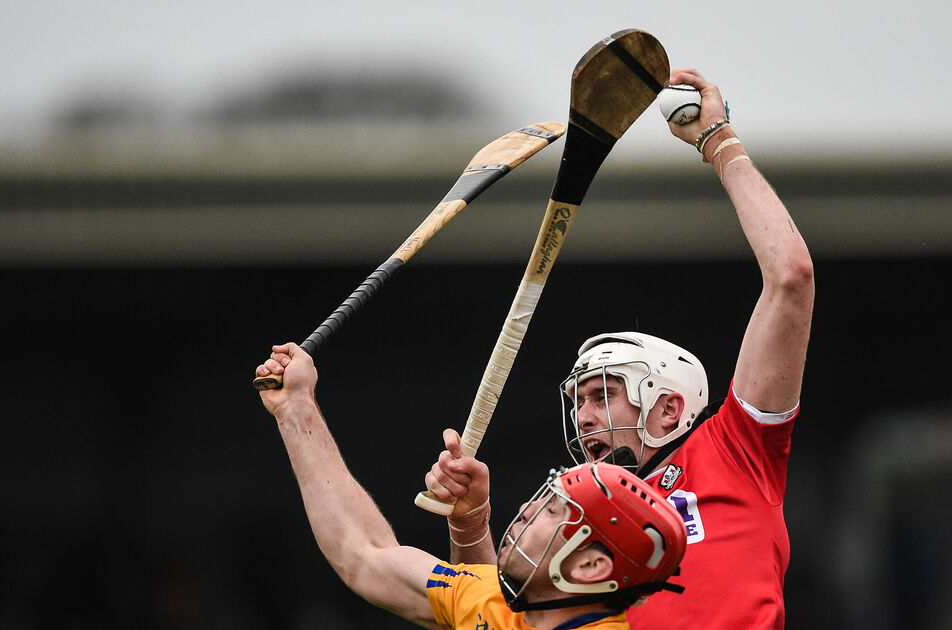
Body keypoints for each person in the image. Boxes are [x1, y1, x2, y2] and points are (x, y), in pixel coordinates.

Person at [424, 67, 814, 629]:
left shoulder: (737, 451)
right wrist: (470, 524)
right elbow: (503, 623)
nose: (584, 417)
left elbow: (791, 277)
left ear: (670, 407)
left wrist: (718, 142)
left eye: (604, 394)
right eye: (579, 400)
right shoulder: (573, 515)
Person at [255, 342, 688, 629]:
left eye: (553, 512)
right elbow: (366, 557)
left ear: (589, 568)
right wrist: (296, 408)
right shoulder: (501, 610)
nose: (524, 513)